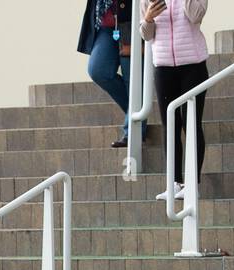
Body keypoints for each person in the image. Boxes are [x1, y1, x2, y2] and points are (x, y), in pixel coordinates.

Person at [142, 0, 210, 200]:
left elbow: (196, 15)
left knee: (191, 124)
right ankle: (174, 183)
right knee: (169, 125)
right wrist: (148, 19)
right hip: (163, 67)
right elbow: (146, 34)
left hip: (193, 65)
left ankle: (192, 184)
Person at [77, 1, 144, 148]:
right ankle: (136, 115)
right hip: (106, 25)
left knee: (132, 78)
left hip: (132, 22)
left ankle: (132, 132)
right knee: (98, 70)